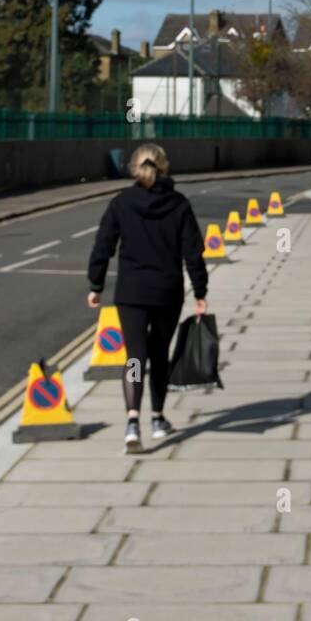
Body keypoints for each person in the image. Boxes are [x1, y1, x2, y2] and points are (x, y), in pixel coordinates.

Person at [87, 143, 208, 454]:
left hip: (131, 293)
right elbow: (192, 250)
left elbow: (104, 244)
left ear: (133, 168)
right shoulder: (179, 204)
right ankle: (157, 419)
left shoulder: (121, 203)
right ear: (164, 167)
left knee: (135, 359)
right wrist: (201, 290)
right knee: (158, 355)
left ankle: (131, 423)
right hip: (167, 291)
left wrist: (96, 284)